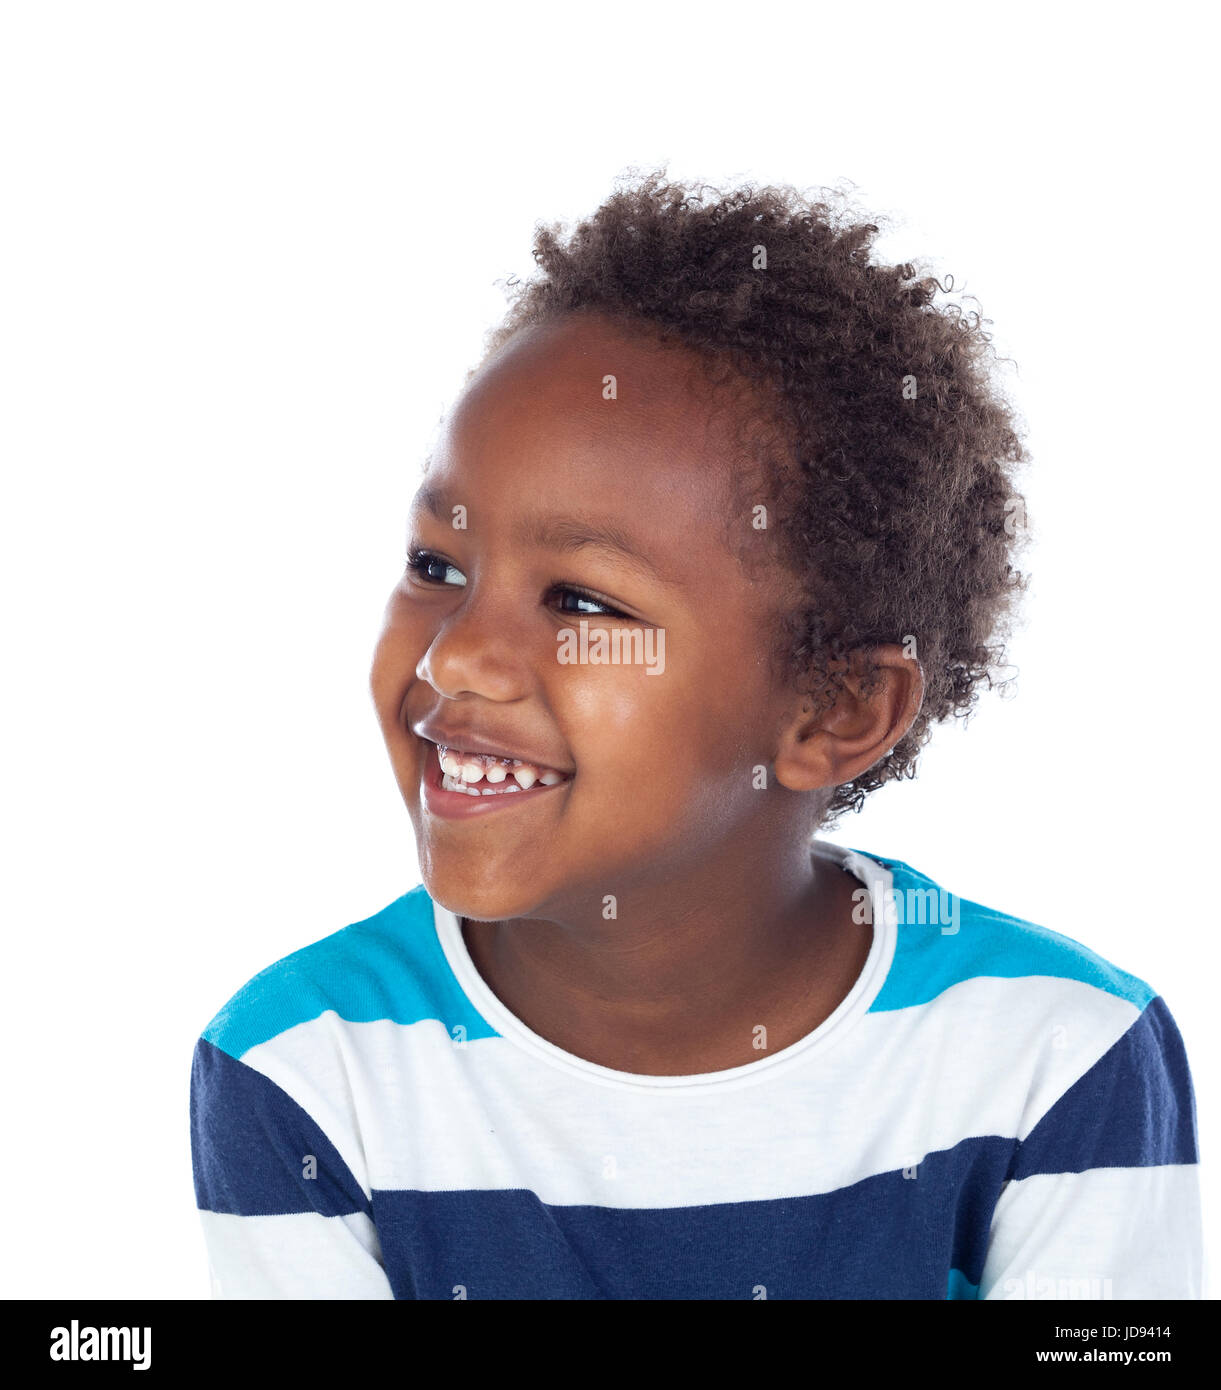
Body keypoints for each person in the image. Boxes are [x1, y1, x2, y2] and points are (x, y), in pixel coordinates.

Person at [190, 170, 1202, 1299]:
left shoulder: (1055, 1059)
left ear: (834, 711)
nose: (455, 656)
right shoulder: (305, 1067)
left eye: (582, 601)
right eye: (439, 567)